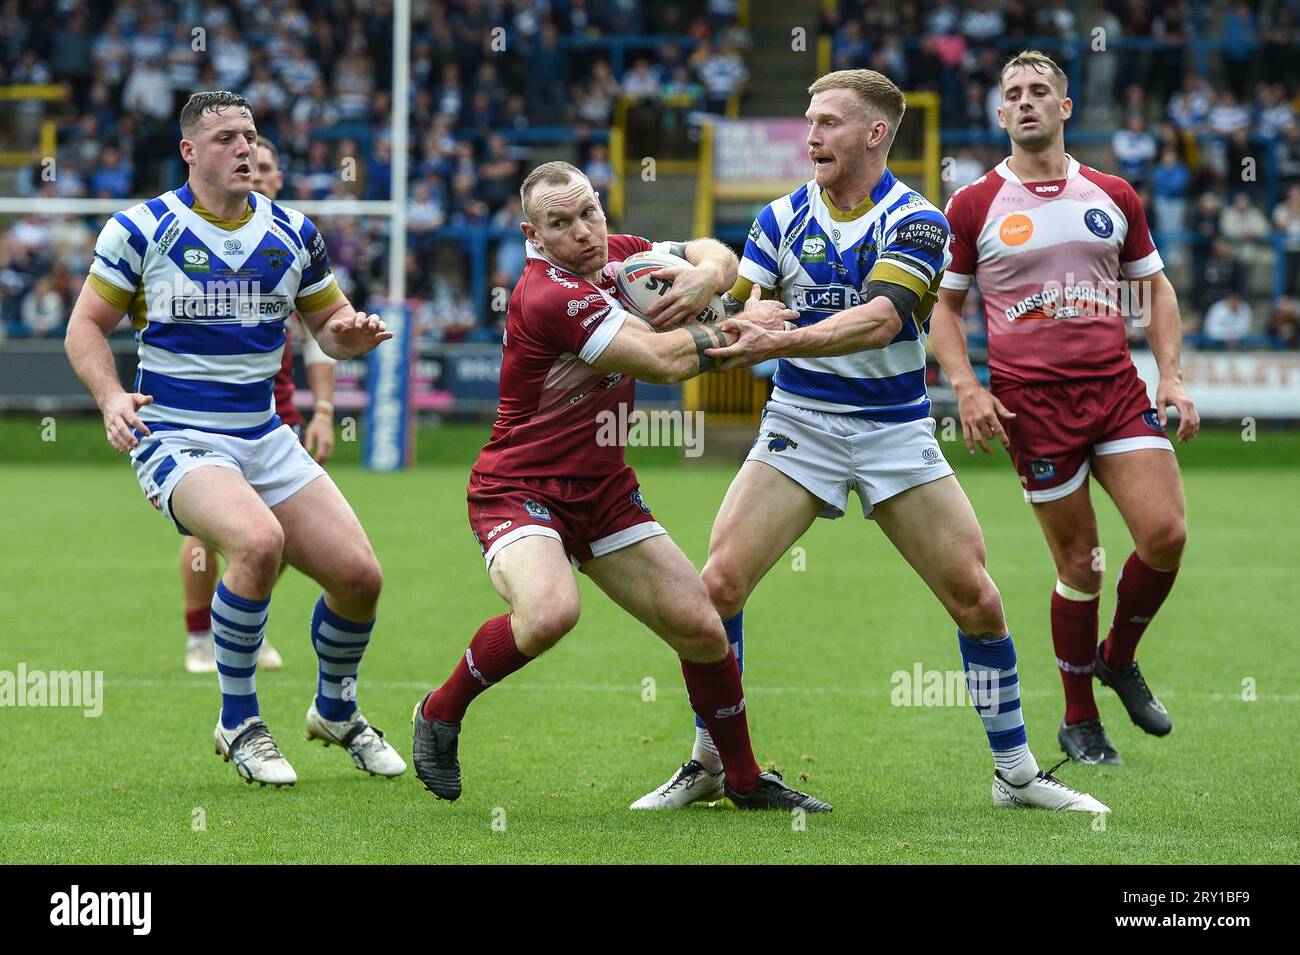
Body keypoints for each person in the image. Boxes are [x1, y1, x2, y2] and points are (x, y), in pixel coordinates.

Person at [633, 70, 1108, 813]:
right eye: (809, 120)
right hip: (801, 424)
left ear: (875, 133)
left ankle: (1014, 772)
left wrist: (779, 333)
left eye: (828, 122)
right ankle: (711, 761)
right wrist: (732, 315)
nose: (811, 135)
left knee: (976, 598)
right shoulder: (780, 217)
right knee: (717, 585)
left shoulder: (918, 221)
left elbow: (882, 320)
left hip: (894, 430)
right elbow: (757, 310)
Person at [411, 161, 830, 813]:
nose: (584, 232)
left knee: (703, 629)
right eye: (561, 223)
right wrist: (742, 329)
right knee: (551, 613)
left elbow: (713, 252)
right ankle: (439, 710)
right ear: (534, 235)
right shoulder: (548, 294)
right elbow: (662, 361)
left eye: (590, 213)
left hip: (603, 491)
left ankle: (743, 782)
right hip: (520, 487)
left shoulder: (619, 258)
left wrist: (706, 275)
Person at [64, 91, 405, 786]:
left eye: (250, 135)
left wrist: (354, 337)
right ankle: (240, 720)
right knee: (256, 542)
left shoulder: (292, 231)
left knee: (360, 576)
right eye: (226, 138)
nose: (245, 148)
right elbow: (84, 327)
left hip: (264, 433)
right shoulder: (143, 228)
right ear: (190, 151)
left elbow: (329, 325)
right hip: (177, 434)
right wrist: (108, 396)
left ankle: (335, 709)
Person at [929, 51, 1199, 766]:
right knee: (1082, 564)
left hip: (1114, 390)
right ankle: (1079, 719)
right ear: (999, 113)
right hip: (1032, 405)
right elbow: (944, 311)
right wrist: (967, 385)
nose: (1025, 102)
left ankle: (1118, 655)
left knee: (1165, 534)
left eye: (1039, 91)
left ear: (1064, 107)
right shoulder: (975, 204)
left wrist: (1170, 376)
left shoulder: (1112, 192)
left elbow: (1156, 289)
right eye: (1012, 93)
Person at [181, 134, 338, 674]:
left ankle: (239, 621)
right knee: (214, 534)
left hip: (278, 408)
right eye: (255, 163)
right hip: (211, 412)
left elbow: (322, 331)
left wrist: (323, 409)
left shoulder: (287, 238)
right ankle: (202, 634)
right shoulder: (201, 235)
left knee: (278, 534)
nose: (262, 172)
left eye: (269, 165)